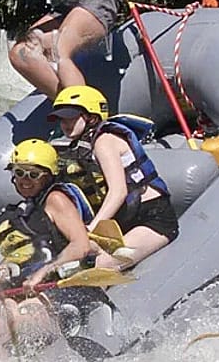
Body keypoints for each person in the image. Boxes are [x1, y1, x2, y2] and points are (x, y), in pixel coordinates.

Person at [0, 139, 96, 346]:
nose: (25, 180)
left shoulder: (56, 199)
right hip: (34, 291)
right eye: (19, 173)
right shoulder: (26, 212)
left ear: (48, 175)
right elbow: (18, 260)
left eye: (33, 174)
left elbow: (81, 245)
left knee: (19, 316)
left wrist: (44, 271)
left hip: (64, 288)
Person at [51, 86, 178, 268]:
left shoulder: (104, 141)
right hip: (124, 219)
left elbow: (118, 192)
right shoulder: (82, 146)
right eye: (61, 118)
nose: (65, 123)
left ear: (92, 117)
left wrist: (91, 228)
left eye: (71, 117)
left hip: (153, 218)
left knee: (103, 263)